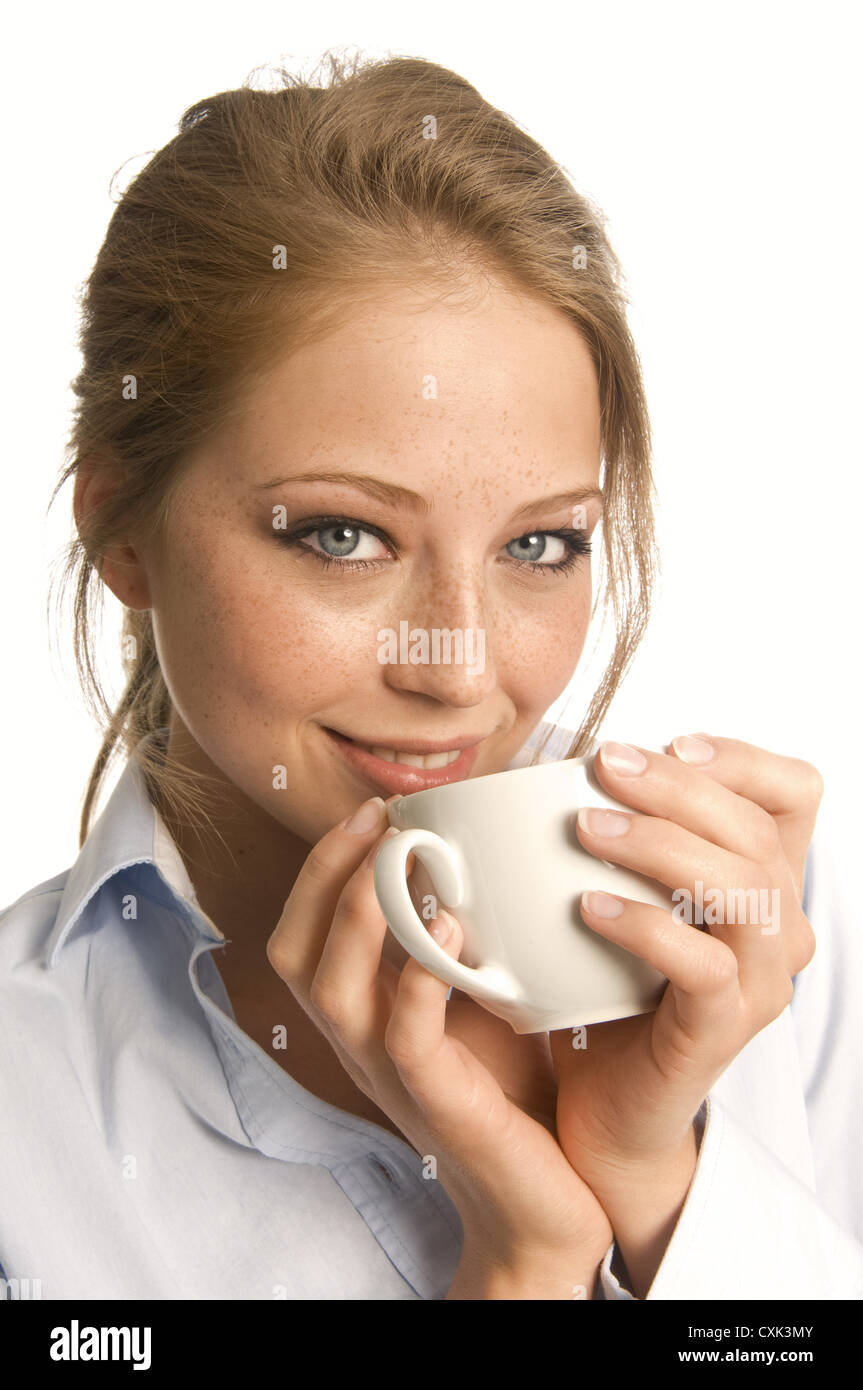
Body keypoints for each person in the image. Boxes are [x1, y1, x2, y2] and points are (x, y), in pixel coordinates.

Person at [1, 50, 861, 1302]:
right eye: (341, 535)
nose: (457, 666)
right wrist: (518, 1269)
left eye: (538, 544)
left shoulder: (767, 926)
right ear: (122, 528)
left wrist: (650, 1176)